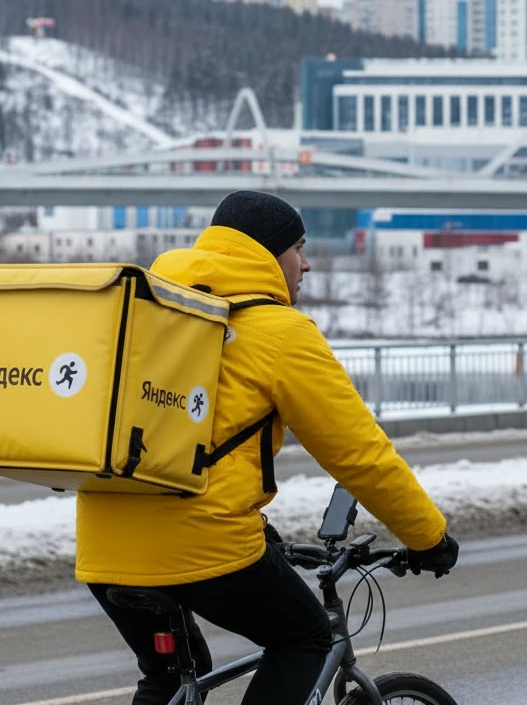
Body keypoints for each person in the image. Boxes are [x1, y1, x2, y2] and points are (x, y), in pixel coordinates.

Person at [76, 191, 458, 705]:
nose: (306, 264)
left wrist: (261, 528)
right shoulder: (280, 333)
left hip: (104, 545)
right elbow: (360, 455)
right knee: (304, 637)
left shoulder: (151, 314)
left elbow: (192, 444)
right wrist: (428, 537)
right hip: (201, 546)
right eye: (298, 247)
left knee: (168, 679)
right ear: (266, 252)